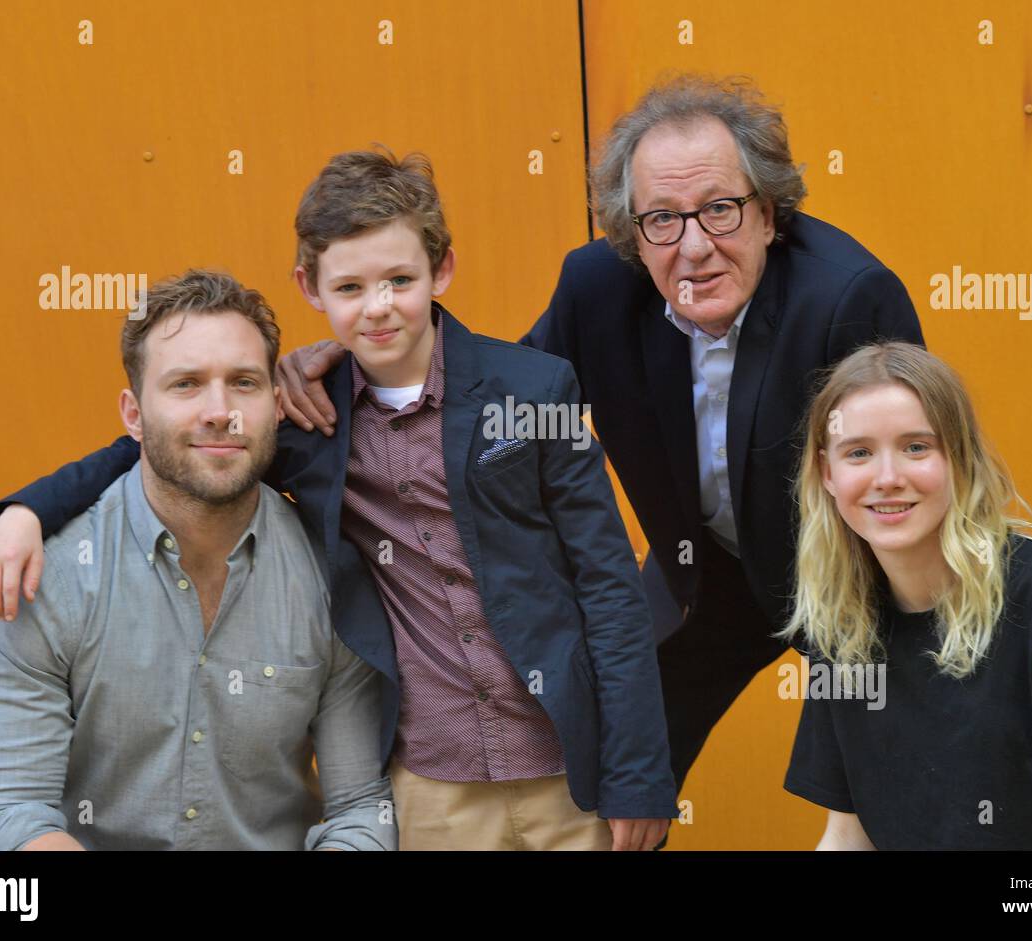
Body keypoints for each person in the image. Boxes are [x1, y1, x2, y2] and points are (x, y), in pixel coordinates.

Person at [0, 151, 676, 851]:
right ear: (310, 287)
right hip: (434, 782)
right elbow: (168, 447)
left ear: (443, 269)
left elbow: (610, 587)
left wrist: (639, 773)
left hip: (568, 763)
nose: (379, 306)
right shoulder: (308, 417)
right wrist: (27, 510)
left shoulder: (533, 389)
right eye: (351, 286)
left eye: (400, 279)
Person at [274, 74, 925, 791]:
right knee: (624, 764)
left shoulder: (848, 296)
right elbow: (492, 404)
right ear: (631, 232)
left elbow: (916, 472)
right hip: (705, 573)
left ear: (769, 214)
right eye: (662, 220)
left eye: (720, 210)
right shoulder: (599, 288)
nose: (695, 245)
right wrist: (352, 359)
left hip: (849, 577)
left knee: (886, 779)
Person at [0, 270, 394, 850]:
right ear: (133, 415)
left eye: (243, 383)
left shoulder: (330, 576)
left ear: (275, 402)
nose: (220, 412)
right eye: (186, 384)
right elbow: (3, 814)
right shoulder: (46, 576)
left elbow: (362, 809)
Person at [779, 341, 1032, 850]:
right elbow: (848, 837)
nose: (888, 478)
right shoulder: (842, 626)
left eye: (917, 447)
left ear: (961, 459)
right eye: (859, 453)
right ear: (828, 474)